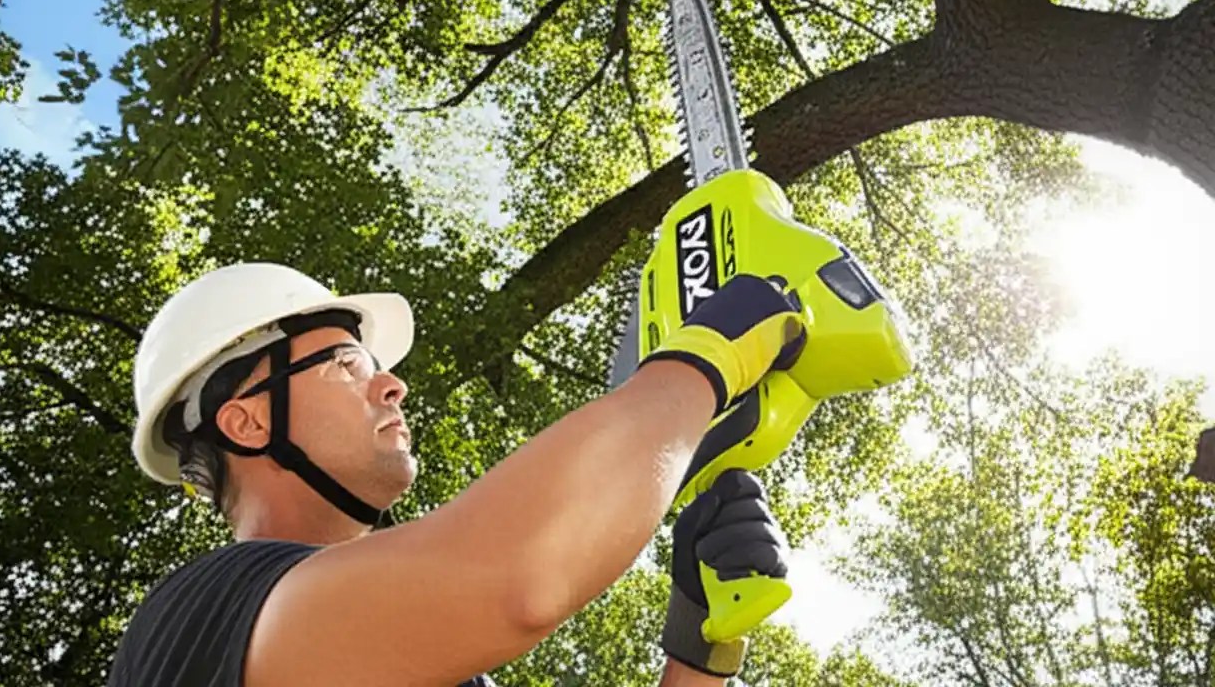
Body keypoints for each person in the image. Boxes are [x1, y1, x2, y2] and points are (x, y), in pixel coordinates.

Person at [107, 261, 804, 686]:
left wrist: (697, 652)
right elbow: (518, 581)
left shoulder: (439, 667)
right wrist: (706, 361)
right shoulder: (195, 617)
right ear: (248, 422)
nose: (391, 387)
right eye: (348, 364)